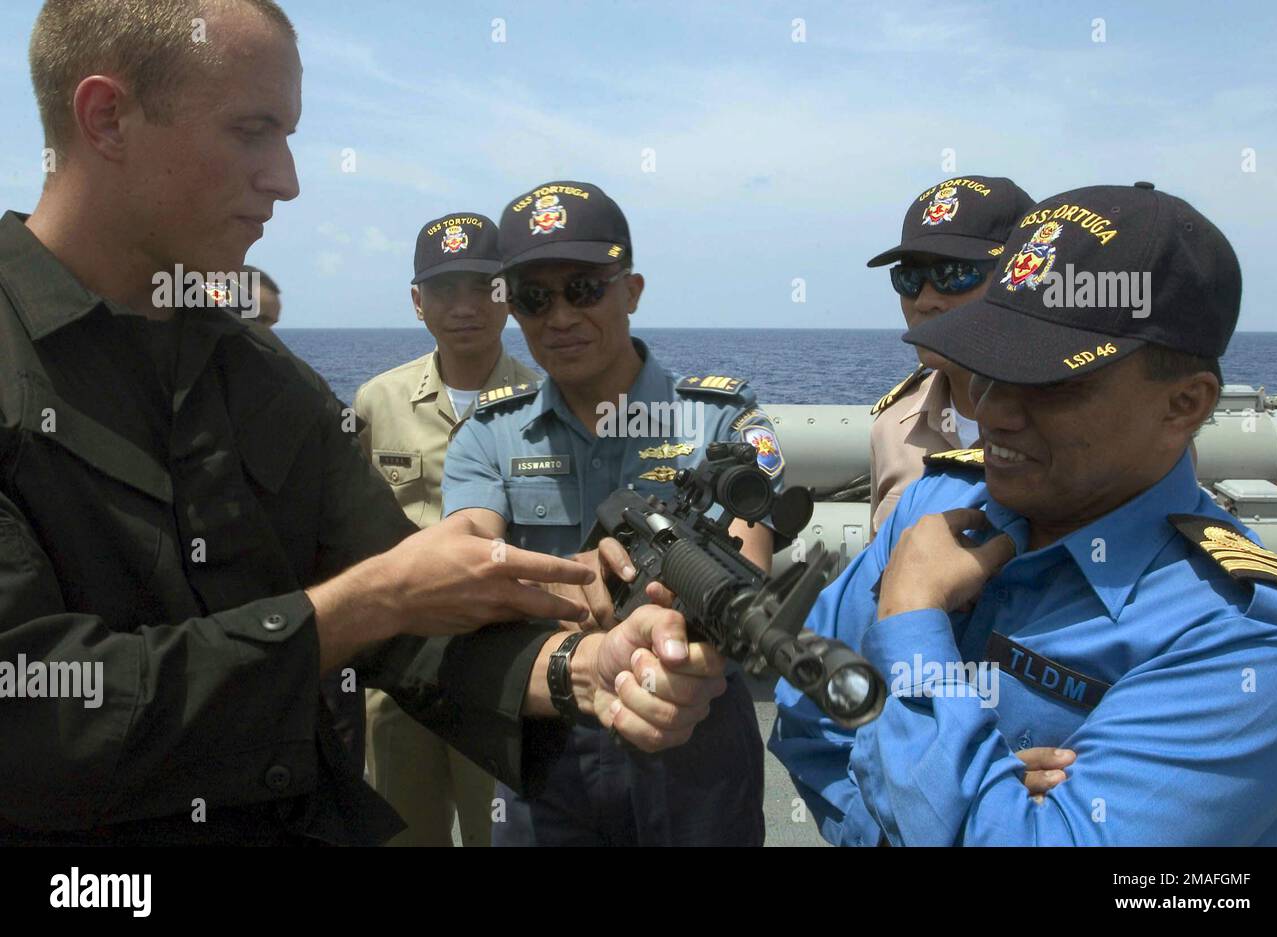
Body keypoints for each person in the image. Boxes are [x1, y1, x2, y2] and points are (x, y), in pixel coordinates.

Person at [1, 0, 728, 845]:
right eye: (252, 130)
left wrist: (579, 668)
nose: (286, 178)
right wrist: (355, 607)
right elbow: (37, 709)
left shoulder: (261, 377)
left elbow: (412, 611)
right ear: (106, 117)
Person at [771, 183, 1277, 845]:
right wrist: (929, 815)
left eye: (1050, 384)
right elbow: (806, 708)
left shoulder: (1248, 643)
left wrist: (912, 625)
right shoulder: (939, 502)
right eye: (988, 366)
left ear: (1184, 405)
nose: (991, 411)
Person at [441, 179, 785, 846]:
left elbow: (746, 563)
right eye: (535, 298)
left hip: (693, 723)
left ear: (632, 290)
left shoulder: (720, 418)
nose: (560, 316)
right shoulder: (488, 432)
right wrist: (581, 577)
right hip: (549, 732)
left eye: (585, 288)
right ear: (513, 310)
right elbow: (465, 569)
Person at [355, 212, 535, 846]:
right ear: (416, 302)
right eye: (443, 289)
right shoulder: (377, 402)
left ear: (508, 295)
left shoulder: (544, 405)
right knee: (405, 834)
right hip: (403, 672)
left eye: (482, 287)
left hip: (507, 671)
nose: (464, 306)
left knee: (505, 837)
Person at [865, 176, 1033, 536]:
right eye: (909, 279)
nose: (925, 301)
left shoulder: (1081, 426)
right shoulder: (892, 428)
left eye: (954, 275)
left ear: (1020, 277)